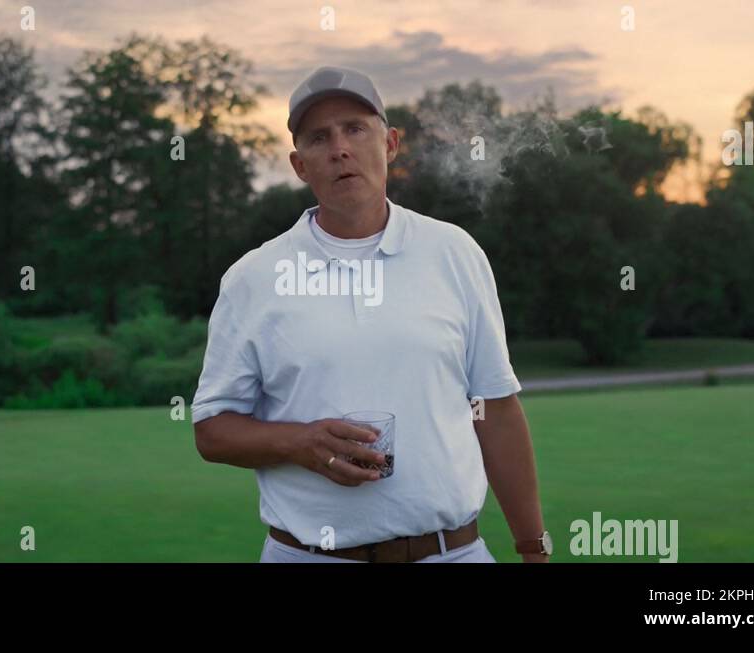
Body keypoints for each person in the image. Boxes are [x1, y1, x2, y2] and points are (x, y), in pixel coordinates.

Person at [192, 66, 551, 563]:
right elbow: (212, 430)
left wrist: (534, 547)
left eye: (355, 128)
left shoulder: (454, 252)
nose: (339, 148)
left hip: (452, 554)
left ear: (391, 143)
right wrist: (301, 443)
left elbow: (495, 410)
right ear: (300, 165)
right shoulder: (254, 277)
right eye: (319, 137)